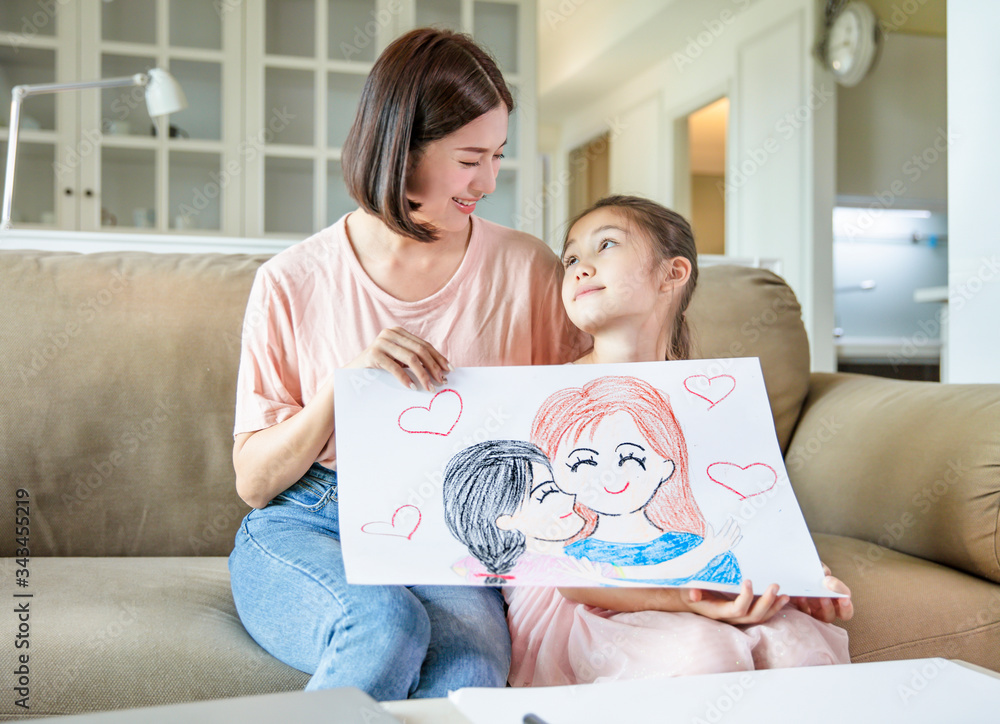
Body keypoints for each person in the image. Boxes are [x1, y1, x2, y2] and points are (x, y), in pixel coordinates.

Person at [226, 28, 586, 700]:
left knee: (471, 672)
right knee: (384, 622)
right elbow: (254, 482)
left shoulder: (526, 268)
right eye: (469, 159)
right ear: (401, 148)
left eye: (497, 156)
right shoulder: (291, 280)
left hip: (448, 529)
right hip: (310, 518)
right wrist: (346, 389)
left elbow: (594, 400)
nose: (489, 182)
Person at [505, 195, 853, 687]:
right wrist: (689, 599)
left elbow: (752, 515)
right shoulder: (554, 397)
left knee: (798, 646)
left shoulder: (715, 399)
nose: (580, 267)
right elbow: (568, 569)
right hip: (589, 595)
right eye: (571, 258)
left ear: (672, 273)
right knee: (706, 653)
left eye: (606, 245)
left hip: (696, 575)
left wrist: (803, 575)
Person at [531, 374, 741, 586]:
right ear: (557, 474)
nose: (609, 474)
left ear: (665, 467)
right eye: (583, 462)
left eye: (630, 457)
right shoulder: (565, 559)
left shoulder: (709, 555)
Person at [441, 440, 739, 586]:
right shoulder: (557, 566)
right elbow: (641, 576)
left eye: (559, 484)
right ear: (504, 520)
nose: (569, 495)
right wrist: (706, 553)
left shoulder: (483, 563)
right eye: (547, 493)